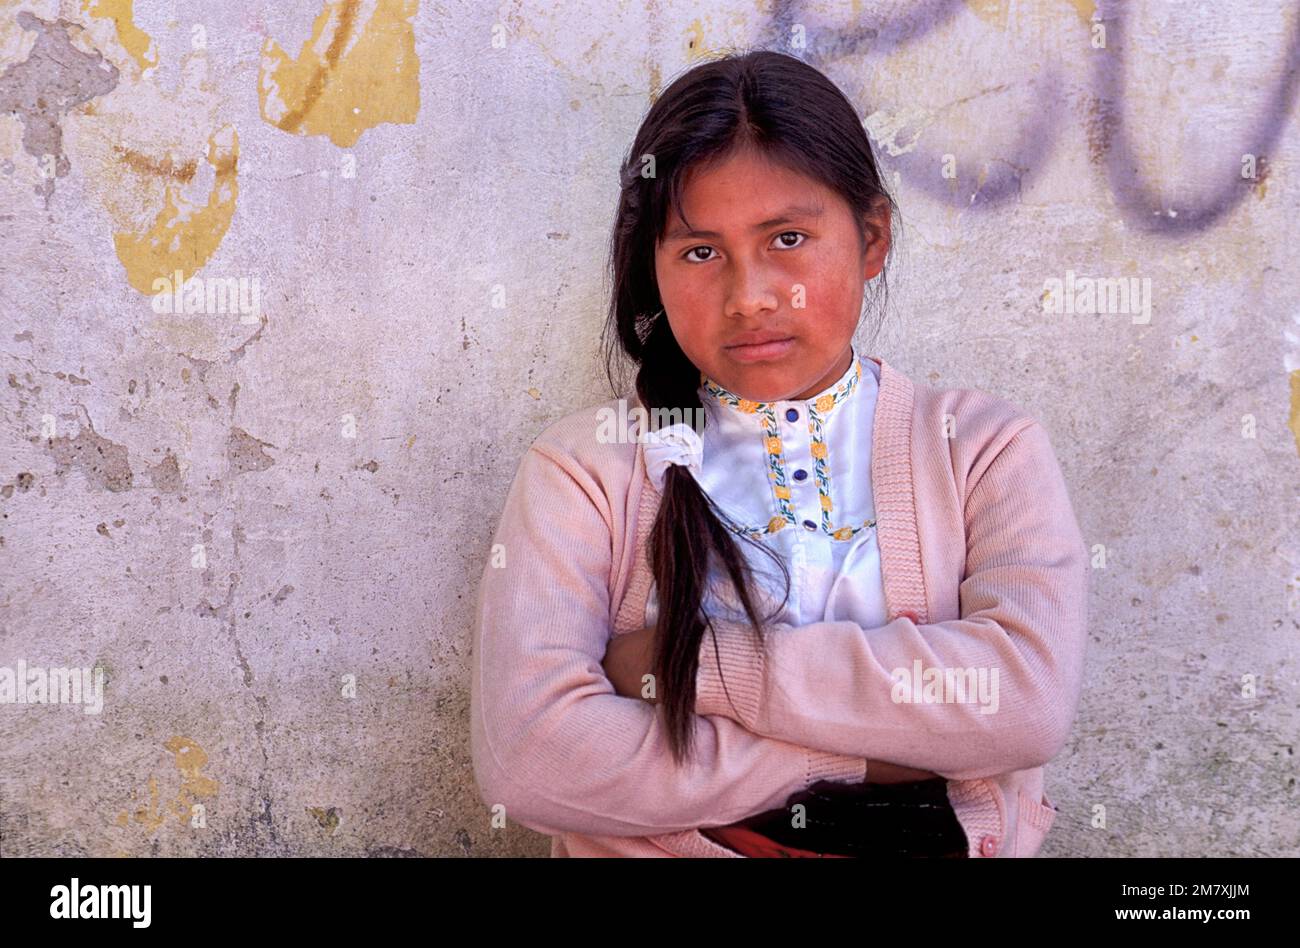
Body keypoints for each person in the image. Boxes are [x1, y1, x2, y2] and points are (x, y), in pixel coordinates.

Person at [471, 48, 1088, 858]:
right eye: (699, 252)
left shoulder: (983, 450)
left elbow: (1024, 705)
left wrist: (700, 670)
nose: (750, 295)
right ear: (651, 267)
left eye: (789, 237)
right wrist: (868, 756)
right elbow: (533, 759)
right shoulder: (587, 471)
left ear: (872, 240)